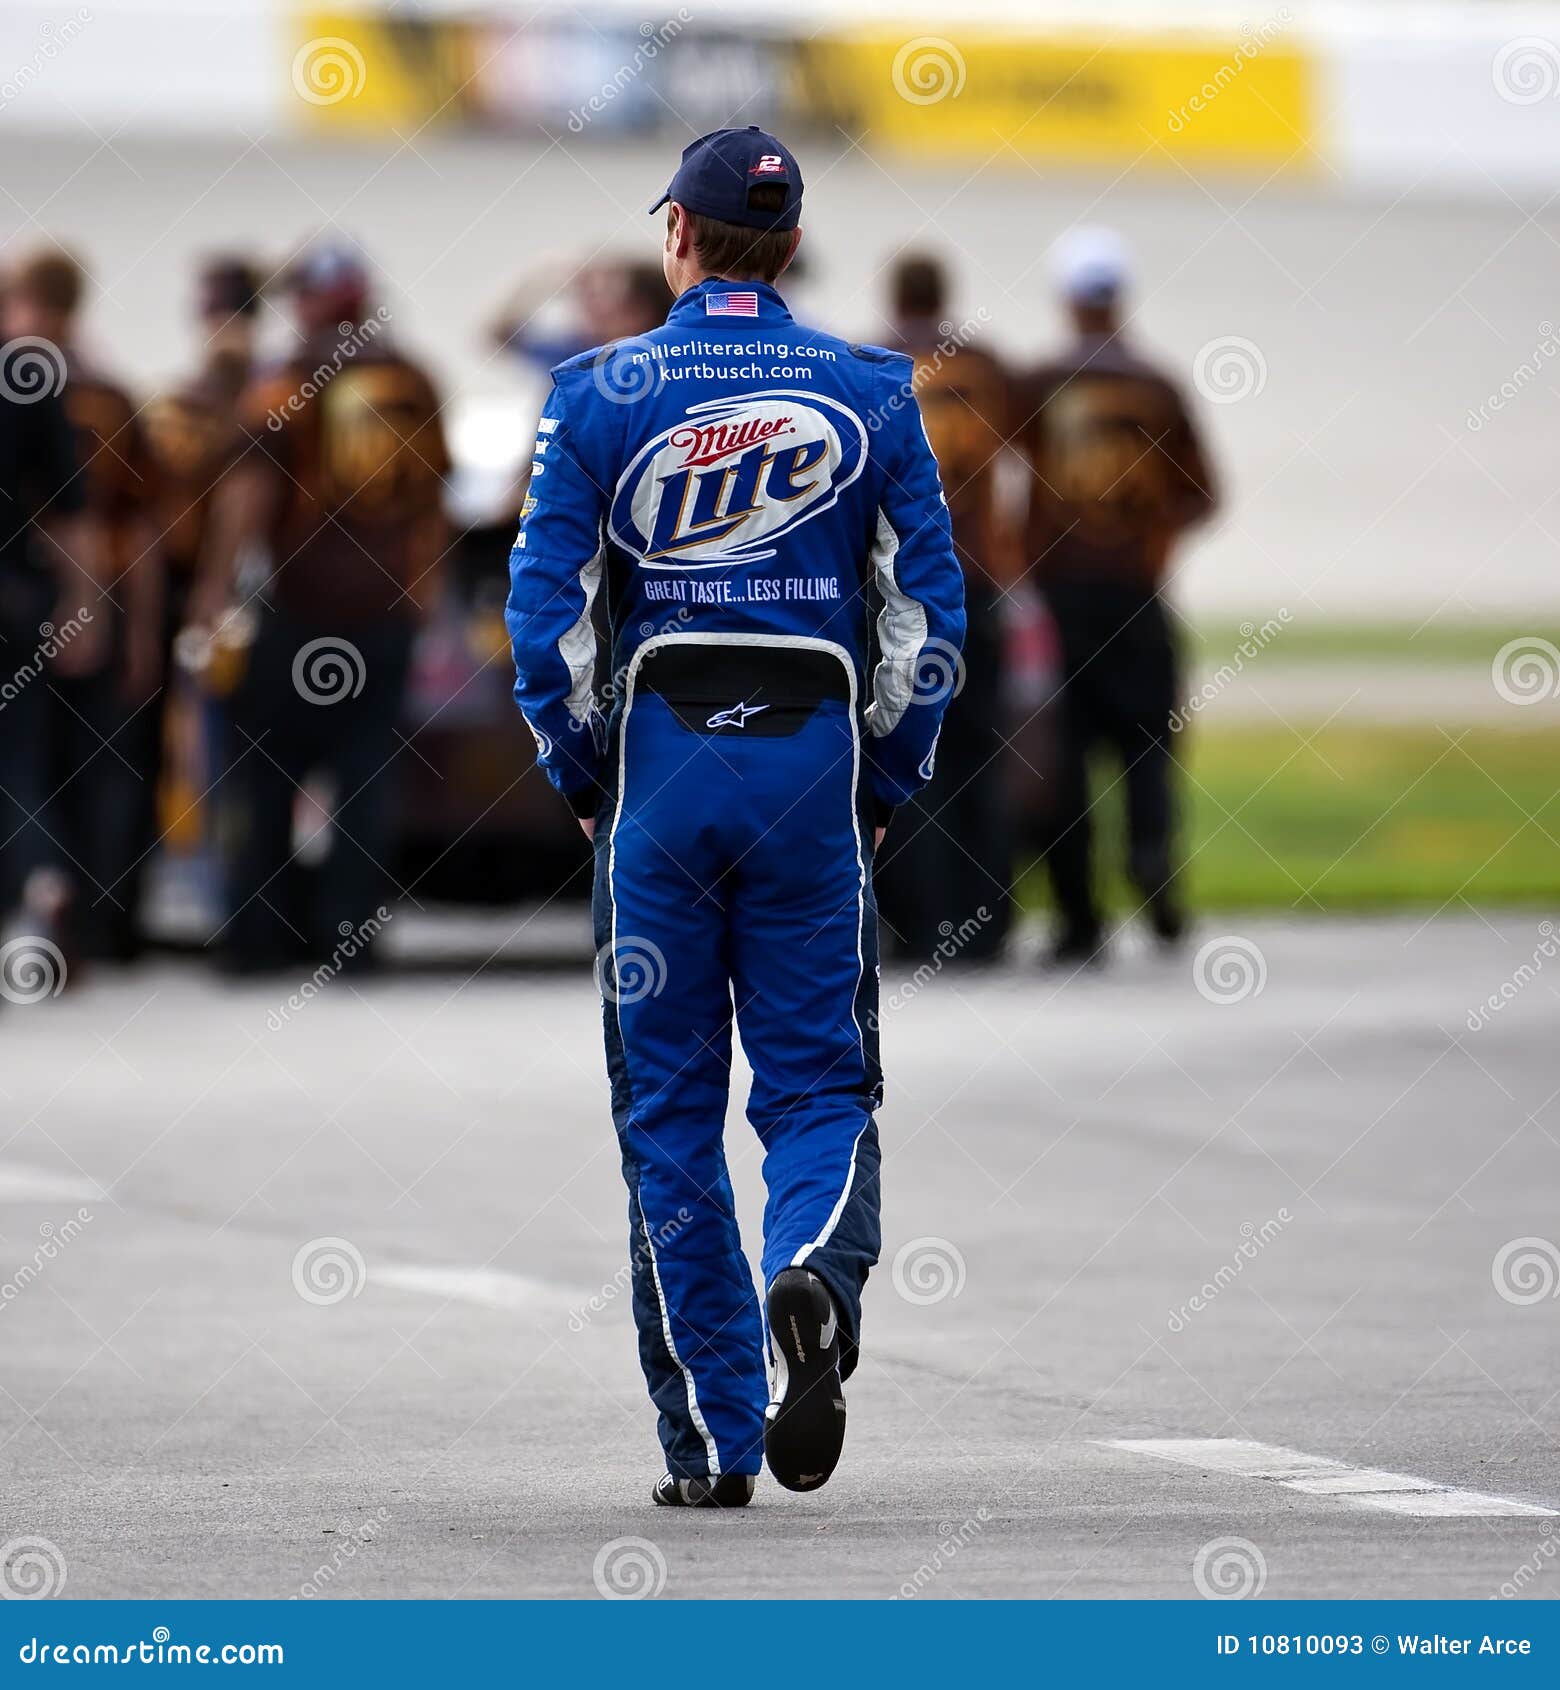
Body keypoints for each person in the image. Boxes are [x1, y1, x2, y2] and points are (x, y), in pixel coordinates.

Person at [506, 126, 964, 1506]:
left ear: (680, 239)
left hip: (660, 779)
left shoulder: (596, 391)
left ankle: (712, 1443)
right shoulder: (875, 389)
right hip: (813, 778)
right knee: (819, 1082)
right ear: (795, 243)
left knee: (669, 1113)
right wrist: (881, 784)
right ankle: (812, 1271)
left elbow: (544, 620)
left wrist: (587, 777)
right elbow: (929, 623)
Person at [195, 240, 449, 973]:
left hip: (297, 615)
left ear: (315, 300)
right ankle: (350, 939)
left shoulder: (286, 382)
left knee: (265, 777)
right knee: (368, 782)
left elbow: (248, 494)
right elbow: (433, 499)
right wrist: (421, 598)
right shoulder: (414, 380)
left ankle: (257, 939)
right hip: (387, 617)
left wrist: (213, 595)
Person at [1013, 228, 1219, 966]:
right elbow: (1202, 496)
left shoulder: (1039, 384)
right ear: (1120, 295)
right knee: (1149, 749)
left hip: (1060, 600)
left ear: (1066, 298)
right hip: (1139, 598)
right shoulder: (1157, 386)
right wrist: (1153, 542)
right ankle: (1154, 864)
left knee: (1060, 759)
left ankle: (1079, 917)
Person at [3, 247, 163, 963]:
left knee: (33, 769)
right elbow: (105, 519)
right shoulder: (97, 392)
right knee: (62, 769)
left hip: (45, 597)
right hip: (45, 601)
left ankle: (40, 887)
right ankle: (80, 916)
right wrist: (96, 612)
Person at [873, 251, 1017, 965]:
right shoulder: (987, 370)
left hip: (901, 595)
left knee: (906, 760)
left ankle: (924, 923)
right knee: (979, 756)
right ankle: (988, 922)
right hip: (978, 583)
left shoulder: (870, 369)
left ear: (893, 295)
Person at [0, 333, 106, 960]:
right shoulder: (23, 377)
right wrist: (81, 606)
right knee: (19, 767)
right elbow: (71, 511)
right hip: (16, 598)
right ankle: (40, 879)